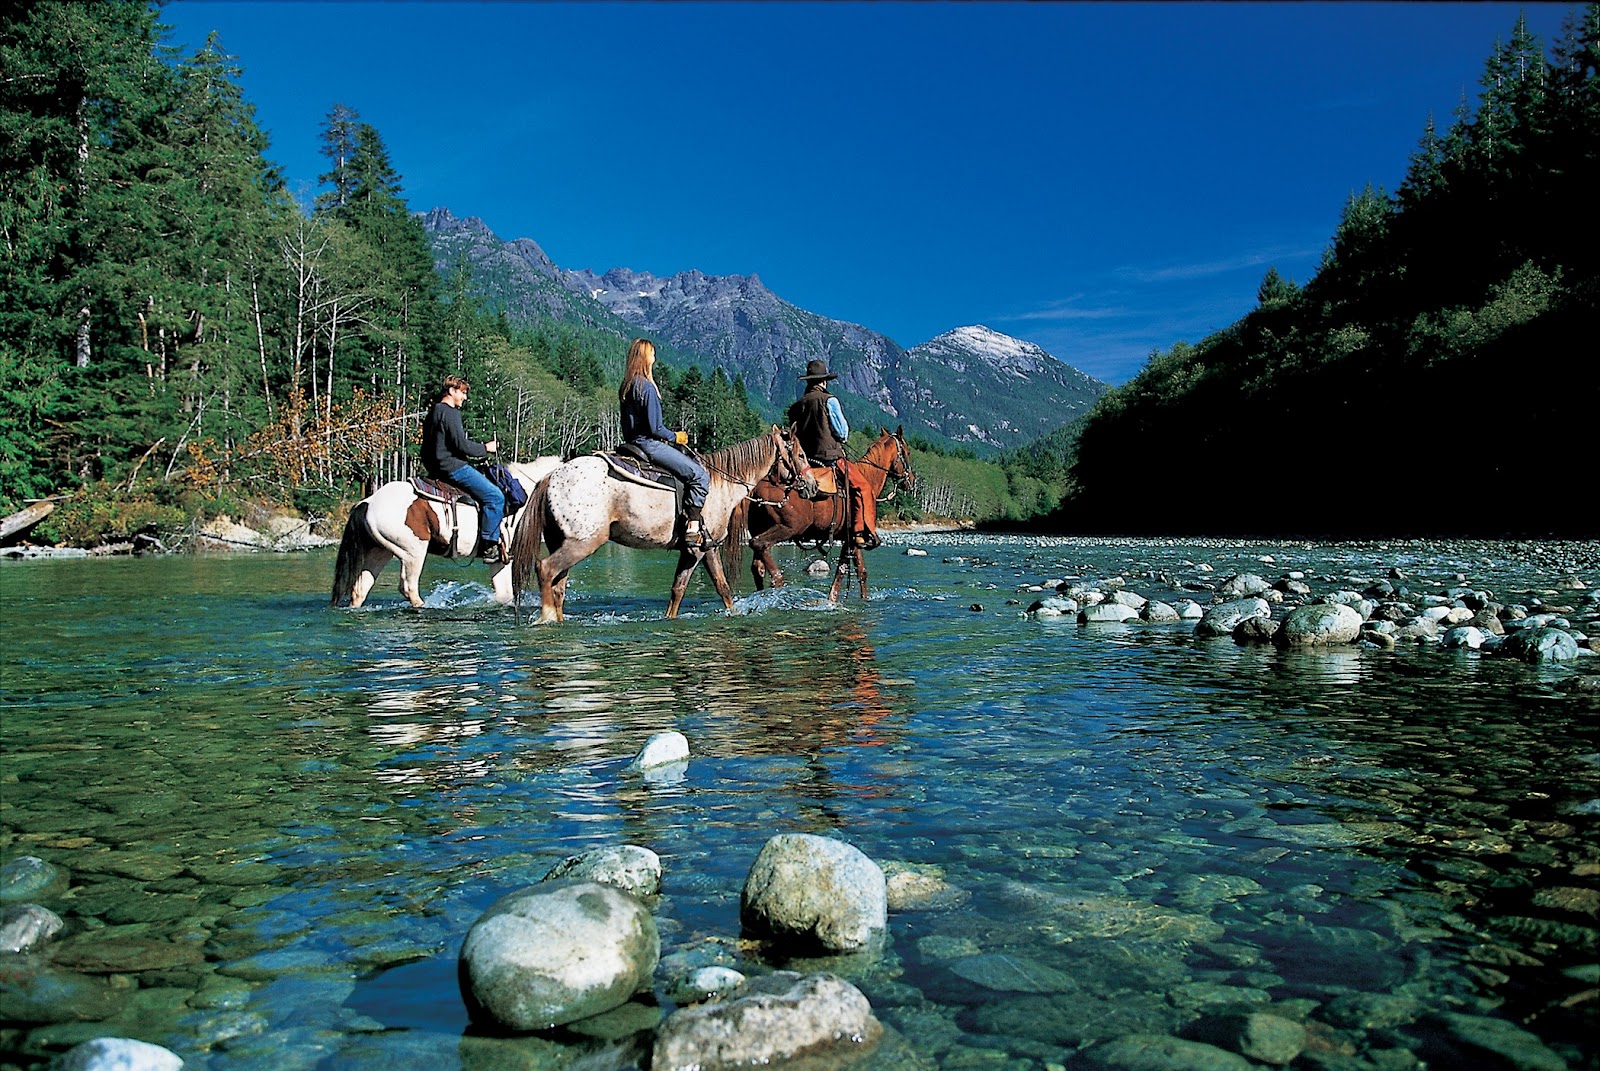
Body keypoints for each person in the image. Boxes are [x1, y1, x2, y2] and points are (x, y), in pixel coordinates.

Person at [618, 338, 712, 549]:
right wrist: (676, 437)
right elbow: (656, 429)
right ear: (644, 357)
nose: (655, 357)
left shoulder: (627, 386)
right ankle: (692, 528)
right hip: (649, 445)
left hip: (631, 443)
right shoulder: (647, 389)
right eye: (652, 353)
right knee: (699, 475)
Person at [788, 357, 878, 548]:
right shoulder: (830, 401)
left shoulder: (797, 406)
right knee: (863, 487)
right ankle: (860, 532)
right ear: (823, 381)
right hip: (829, 459)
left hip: (804, 462)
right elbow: (842, 433)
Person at [421, 373, 505, 564]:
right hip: (452, 468)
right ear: (451, 391)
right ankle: (490, 546)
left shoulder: (434, 411)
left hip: (436, 468)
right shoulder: (450, 413)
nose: (465, 398)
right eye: (462, 393)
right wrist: (486, 448)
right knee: (495, 496)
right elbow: (462, 445)